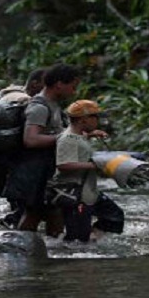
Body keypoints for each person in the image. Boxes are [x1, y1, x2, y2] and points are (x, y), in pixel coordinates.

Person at [4, 63, 81, 236]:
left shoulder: (52, 105)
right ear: (59, 84)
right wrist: (67, 139)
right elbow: (31, 140)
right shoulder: (39, 107)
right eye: (73, 87)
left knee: (54, 211)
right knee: (34, 213)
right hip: (33, 173)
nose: (74, 92)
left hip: (45, 172)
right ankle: (20, 251)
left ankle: (53, 254)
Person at [53, 99, 124, 242]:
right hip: (76, 196)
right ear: (83, 120)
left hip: (89, 193)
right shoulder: (68, 139)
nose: (97, 121)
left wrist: (90, 135)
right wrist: (97, 165)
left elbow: (79, 143)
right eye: (95, 117)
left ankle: (92, 237)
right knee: (77, 241)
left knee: (115, 216)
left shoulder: (78, 135)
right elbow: (63, 165)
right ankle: (72, 258)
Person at [0, 68, 46, 229]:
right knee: (25, 208)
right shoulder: (26, 102)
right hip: (19, 166)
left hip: (6, 163)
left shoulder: (8, 98)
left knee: (21, 207)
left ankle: (12, 227)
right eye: (46, 83)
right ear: (35, 83)